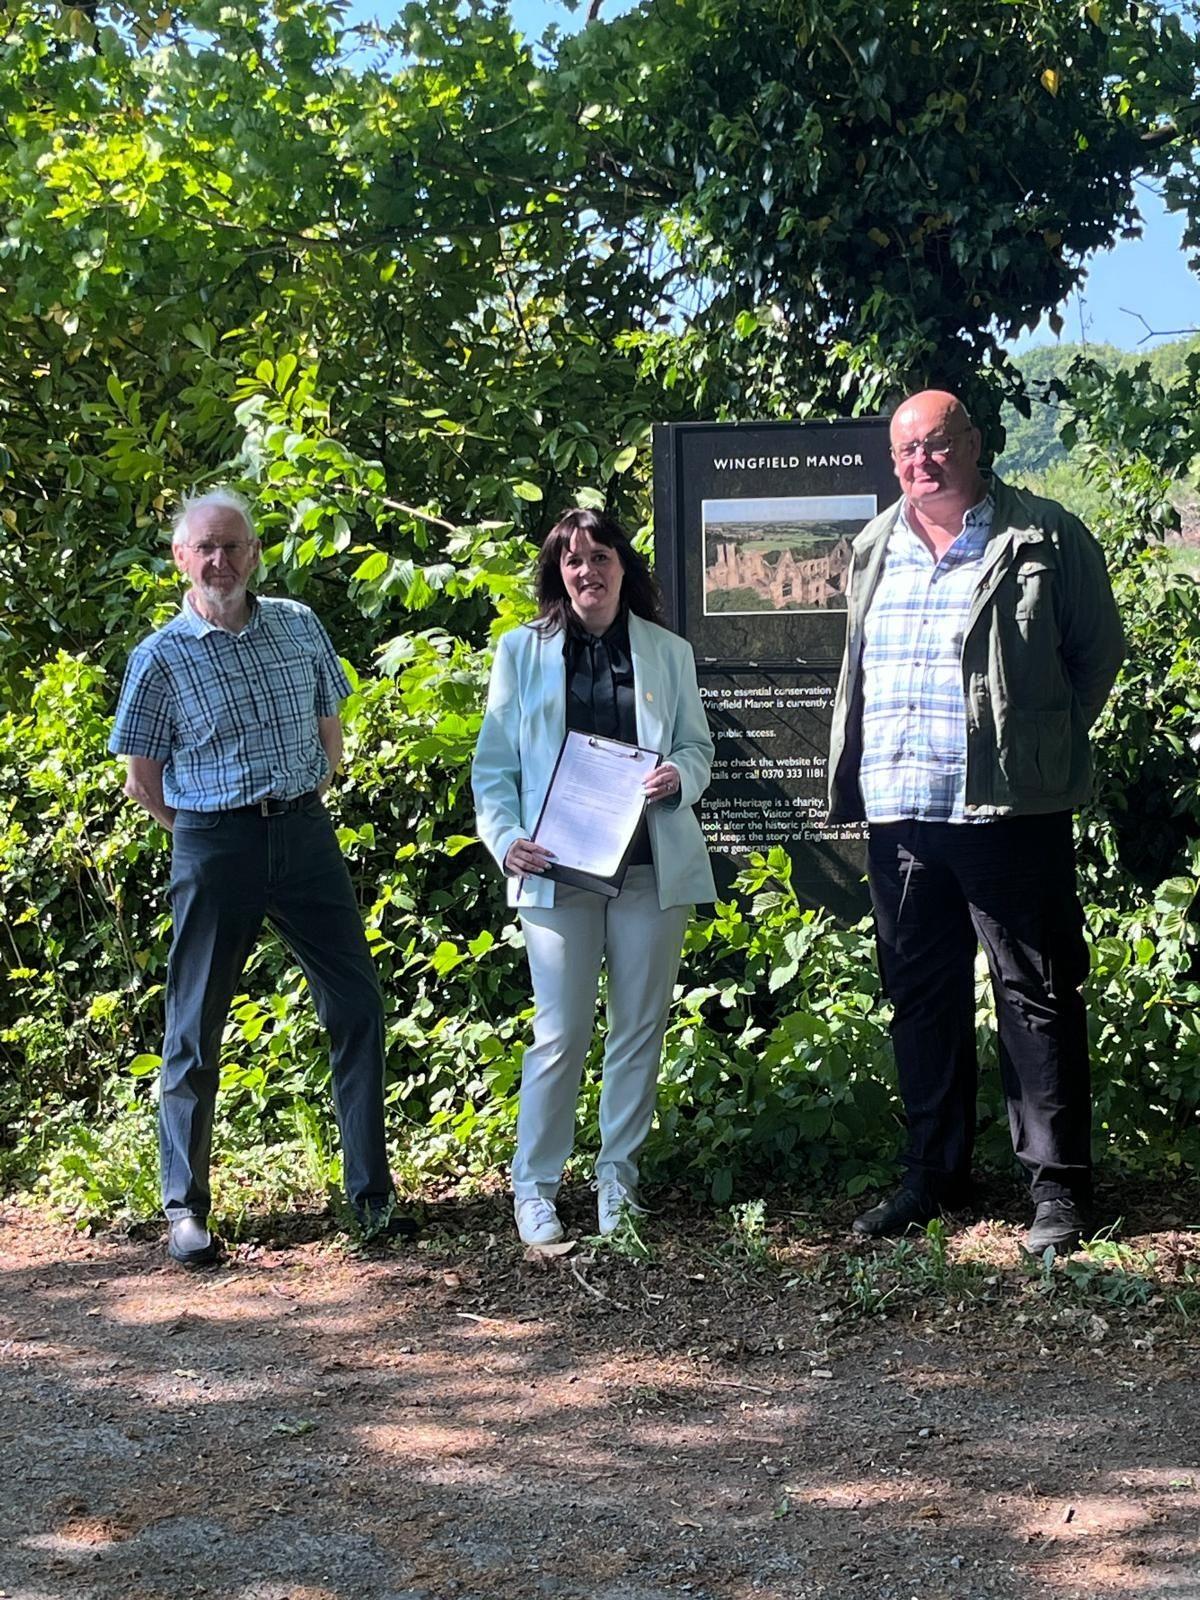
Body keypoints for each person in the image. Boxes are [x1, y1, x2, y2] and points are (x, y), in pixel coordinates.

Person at [827, 389, 1125, 1254]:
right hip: (901, 809)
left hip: (1007, 807)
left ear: (975, 443)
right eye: (907, 450)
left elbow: (1093, 655)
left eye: (939, 443)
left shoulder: (1043, 536)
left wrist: (1038, 747)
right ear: (894, 464)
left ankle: (1059, 1192)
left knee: (1035, 996)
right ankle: (935, 1174)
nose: (924, 461)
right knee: (921, 998)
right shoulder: (874, 544)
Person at [110, 488, 410, 1266]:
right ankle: (185, 1209)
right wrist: (205, 836)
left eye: (233, 546)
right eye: (205, 547)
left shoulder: (299, 626)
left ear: (254, 555)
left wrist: (305, 796)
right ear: (182, 558)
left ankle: (371, 1198)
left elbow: (330, 728)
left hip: (303, 832)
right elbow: (143, 779)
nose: (220, 560)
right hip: (215, 842)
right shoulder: (159, 658)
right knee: (194, 1026)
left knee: (357, 1007)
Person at [472, 508, 716, 1246]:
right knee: (560, 1034)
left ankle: (618, 1180)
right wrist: (507, 838)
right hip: (557, 873)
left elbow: (697, 746)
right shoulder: (521, 651)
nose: (588, 571)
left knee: (637, 1032)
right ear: (558, 573)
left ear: (622, 567)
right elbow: (495, 768)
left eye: (601, 557)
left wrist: (682, 776)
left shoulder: (668, 652)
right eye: (573, 560)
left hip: (649, 867)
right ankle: (535, 1187)